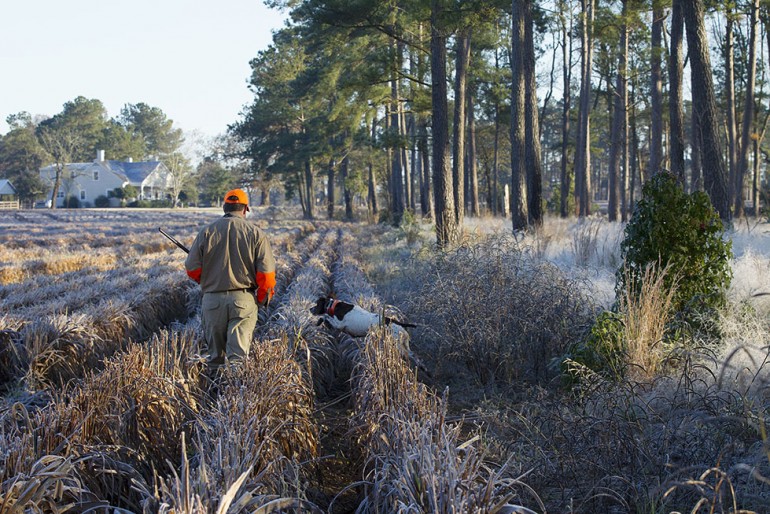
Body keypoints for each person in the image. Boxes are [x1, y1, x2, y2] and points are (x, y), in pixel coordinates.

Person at [185, 188, 276, 369]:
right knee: (238, 360)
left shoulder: (206, 232)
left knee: (214, 359)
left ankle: (212, 394)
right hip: (243, 300)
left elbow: (191, 268)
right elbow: (266, 276)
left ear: (225, 207)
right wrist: (260, 299)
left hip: (212, 301)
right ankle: (233, 393)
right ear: (244, 209)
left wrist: (208, 281)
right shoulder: (256, 233)